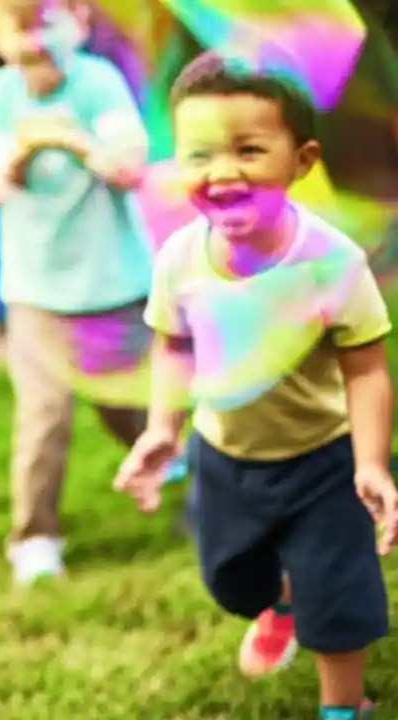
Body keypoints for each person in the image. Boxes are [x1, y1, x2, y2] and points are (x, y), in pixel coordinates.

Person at [116, 52, 396, 720]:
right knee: (232, 579)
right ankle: (278, 605)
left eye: (249, 150)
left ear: (301, 161)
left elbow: (366, 367)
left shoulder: (331, 263)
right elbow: (174, 347)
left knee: (340, 592)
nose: (222, 171)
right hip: (226, 457)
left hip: (323, 458)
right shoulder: (180, 258)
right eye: (200, 154)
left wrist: (370, 463)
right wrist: (162, 429)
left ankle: (342, 705)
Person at [0, 0, 160, 585]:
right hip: (36, 291)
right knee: (44, 416)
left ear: (78, 22)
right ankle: (35, 538)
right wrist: (28, 148)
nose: (33, 41)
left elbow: (129, 167)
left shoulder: (98, 81)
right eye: (16, 28)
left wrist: (72, 140)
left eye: (45, 23)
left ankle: (183, 476)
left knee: (128, 407)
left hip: (113, 284)